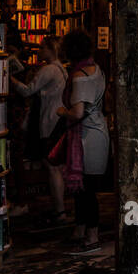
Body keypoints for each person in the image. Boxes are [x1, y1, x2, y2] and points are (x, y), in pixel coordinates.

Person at [57, 29, 110, 252]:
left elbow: (77, 112)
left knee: (86, 189)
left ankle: (91, 236)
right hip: (98, 131)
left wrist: (61, 111)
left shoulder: (78, 76)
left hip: (86, 135)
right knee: (85, 189)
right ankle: (81, 229)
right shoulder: (97, 69)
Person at [10, 35, 68, 226]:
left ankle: (59, 210)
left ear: (51, 50)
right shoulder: (62, 69)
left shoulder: (49, 69)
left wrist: (8, 77)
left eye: (42, 48)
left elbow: (28, 90)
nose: (39, 51)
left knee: (52, 167)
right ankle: (58, 208)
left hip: (49, 120)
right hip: (58, 120)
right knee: (55, 166)